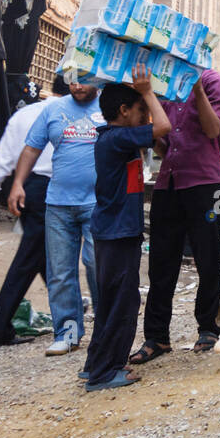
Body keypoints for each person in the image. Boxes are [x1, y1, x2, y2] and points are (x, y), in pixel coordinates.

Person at [130, 68, 220, 362]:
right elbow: (165, 144)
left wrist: (197, 90)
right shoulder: (165, 85)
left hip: (207, 183)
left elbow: (214, 130)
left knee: (208, 256)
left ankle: (208, 328)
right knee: (161, 261)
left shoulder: (214, 82)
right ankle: (157, 337)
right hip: (169, 181)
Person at [83, 66, 171, 390]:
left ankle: (97, 363)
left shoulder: (113, 139)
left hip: (113, 231)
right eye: (140, 111)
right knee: (123, 304)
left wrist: (146, 96)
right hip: (118, 233)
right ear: (123, 111)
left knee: (110, 302)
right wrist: (147, 90)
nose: (146, 117)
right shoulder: (118, 138)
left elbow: (158, 136)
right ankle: (104, 373)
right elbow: (163, 127)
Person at [10, 78, 102, 355]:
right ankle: (68, 332)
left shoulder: (109, 106)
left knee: (97, 264)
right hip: (58, 203)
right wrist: (17, 184)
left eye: (84, 80)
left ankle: (105, 328)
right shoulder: (52, 110)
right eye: (73, 80)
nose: (77, 86)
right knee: (60, 272)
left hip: (97, 203)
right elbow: (31, 148)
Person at [0, 74, 66, 347]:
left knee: (42, 256)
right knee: (29, 258)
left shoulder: (27, 114)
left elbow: (5, 154)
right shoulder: (80, 118)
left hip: (30, 187)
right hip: (54, 188)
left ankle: (67, 309)